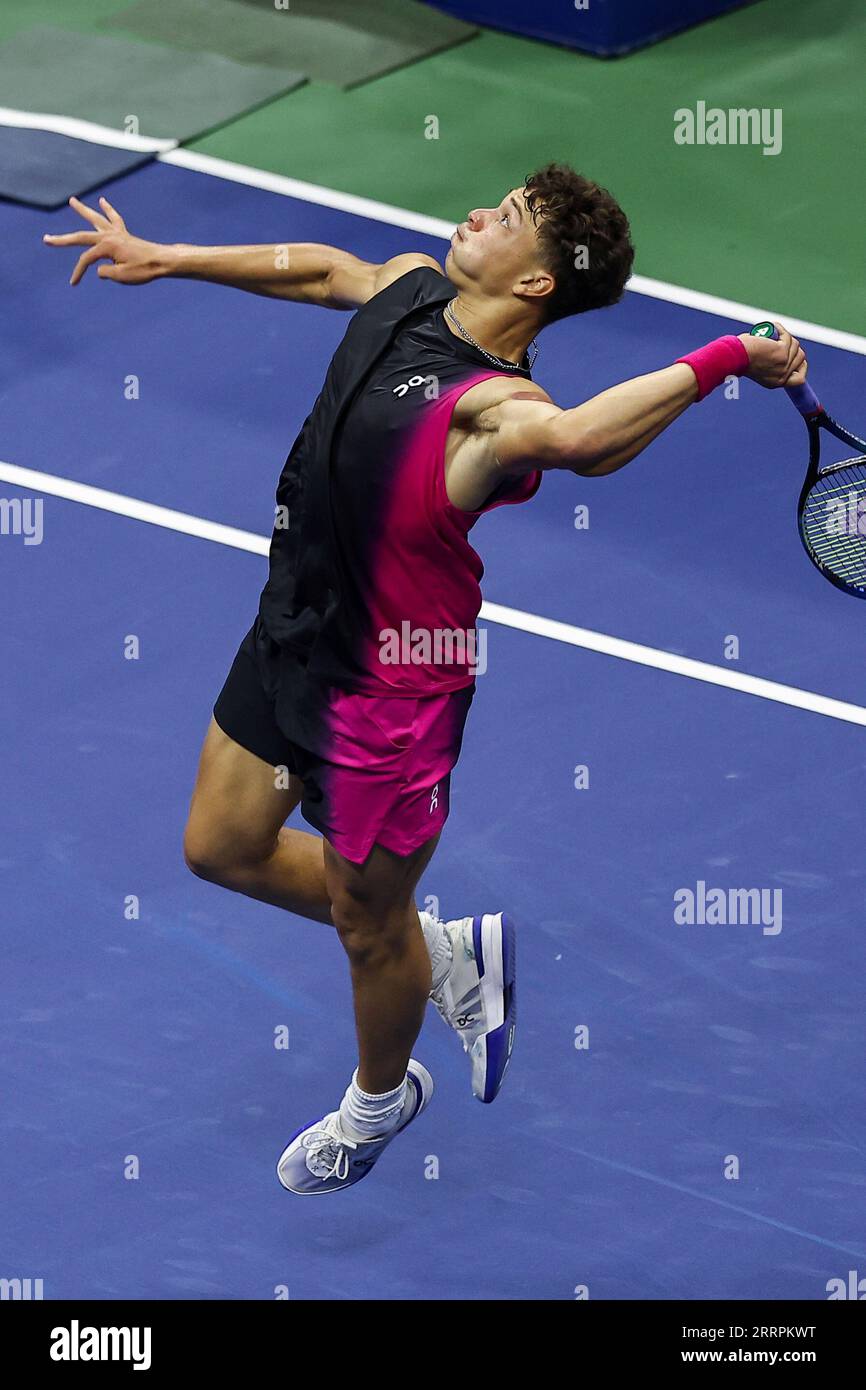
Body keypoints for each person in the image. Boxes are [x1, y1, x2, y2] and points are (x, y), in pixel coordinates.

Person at [44, 164, 806, 1195]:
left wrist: (725, 356)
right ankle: (445, 953)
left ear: (536, 284)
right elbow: (323, 271)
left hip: (388, 700)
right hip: (293, 628)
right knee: (219, 846)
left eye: (509, 220)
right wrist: (170, 256)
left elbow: (582, 439)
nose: (478, 212)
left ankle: (378, 1098)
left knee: (365, 922)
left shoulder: (495, 410)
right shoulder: (409, 285)